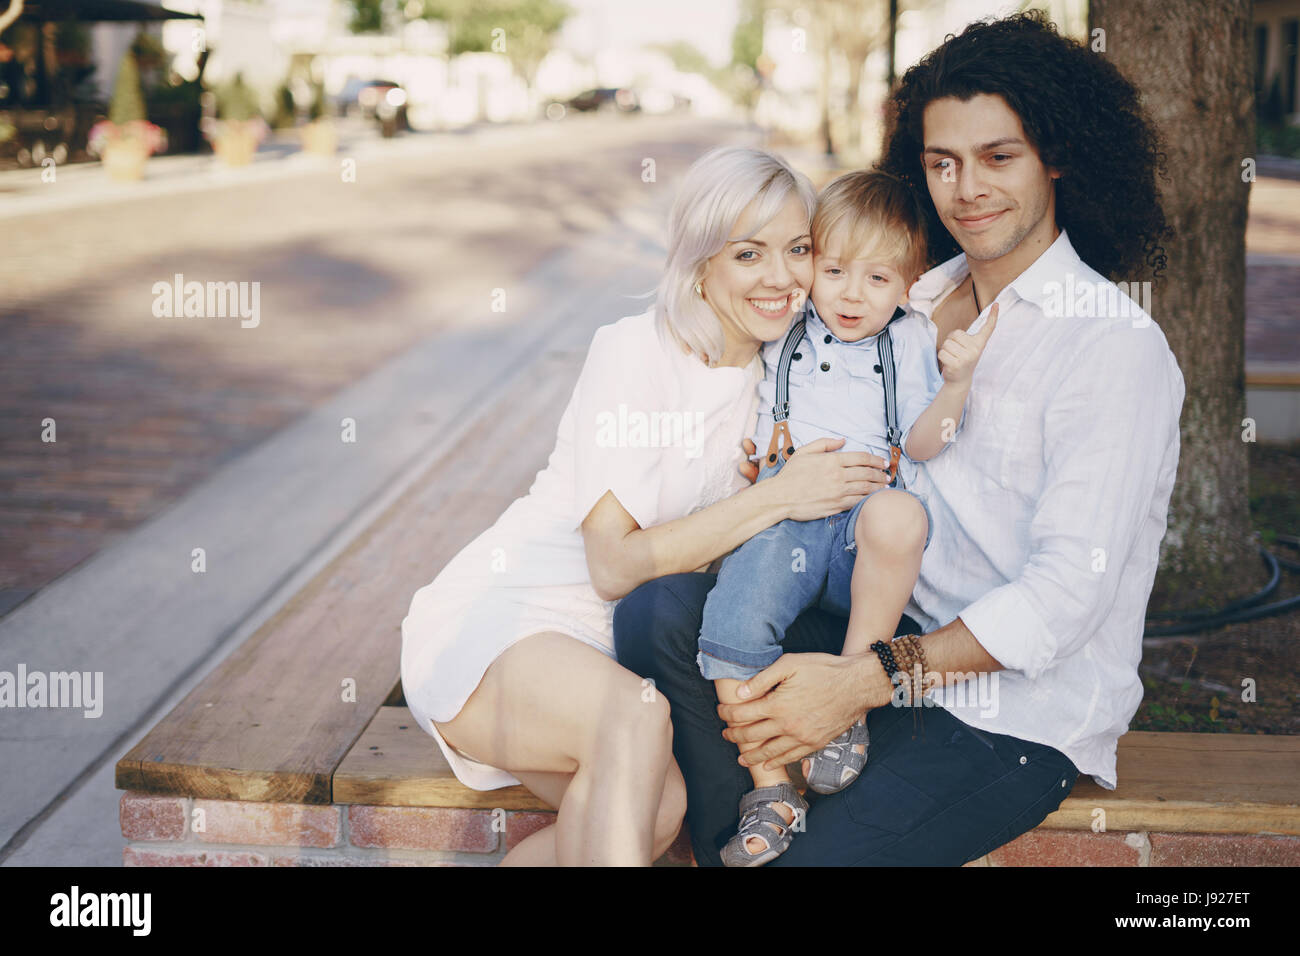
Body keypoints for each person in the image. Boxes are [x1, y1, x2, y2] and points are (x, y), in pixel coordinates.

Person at [614, 10, 1184, 866]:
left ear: (1057, 156)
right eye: (942, 162)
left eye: (999, 157)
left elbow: (1066, 599)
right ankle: (761, 812)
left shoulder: (1112, 349)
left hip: (1007, 714)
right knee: (656, 612)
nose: (967, 188)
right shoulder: (906, 295)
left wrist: (860, 683)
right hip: (875, 630)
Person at [399, 145, 891, 865]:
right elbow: (613, 564)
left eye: (797, 250)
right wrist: (779, 496)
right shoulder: (635, 352)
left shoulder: (782, 380)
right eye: (749, 254)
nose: (781, 277)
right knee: (635, 719)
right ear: (701, 263)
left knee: (660, 811)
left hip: (607, 664)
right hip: (503, 627)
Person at [700, 170, 998, 865]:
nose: (851, 295)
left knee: (901, 514)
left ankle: (849, 703)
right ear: (812, 264)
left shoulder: (911, 340)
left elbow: (924, 443)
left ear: (909, 283)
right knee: (733, 615)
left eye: (877, 279)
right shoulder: (787, 330)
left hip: (865, 535)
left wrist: (956, 386)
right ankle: (771, 786)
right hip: (791, 516)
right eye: (833, 270)